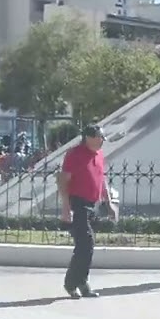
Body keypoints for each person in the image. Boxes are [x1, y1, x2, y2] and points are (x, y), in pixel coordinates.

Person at [58, 125, 107, 299]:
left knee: (88, 246)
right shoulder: (74, 154)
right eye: (100, 137)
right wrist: (66, 208)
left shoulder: (99, 154)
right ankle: (71, 283)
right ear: (89, 137)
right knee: (85, 244)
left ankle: (82, 281)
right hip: (77, 205)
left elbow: (102, 179)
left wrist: (108, 201)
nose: (102, 141)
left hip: (93, 204)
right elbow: (63, 181)